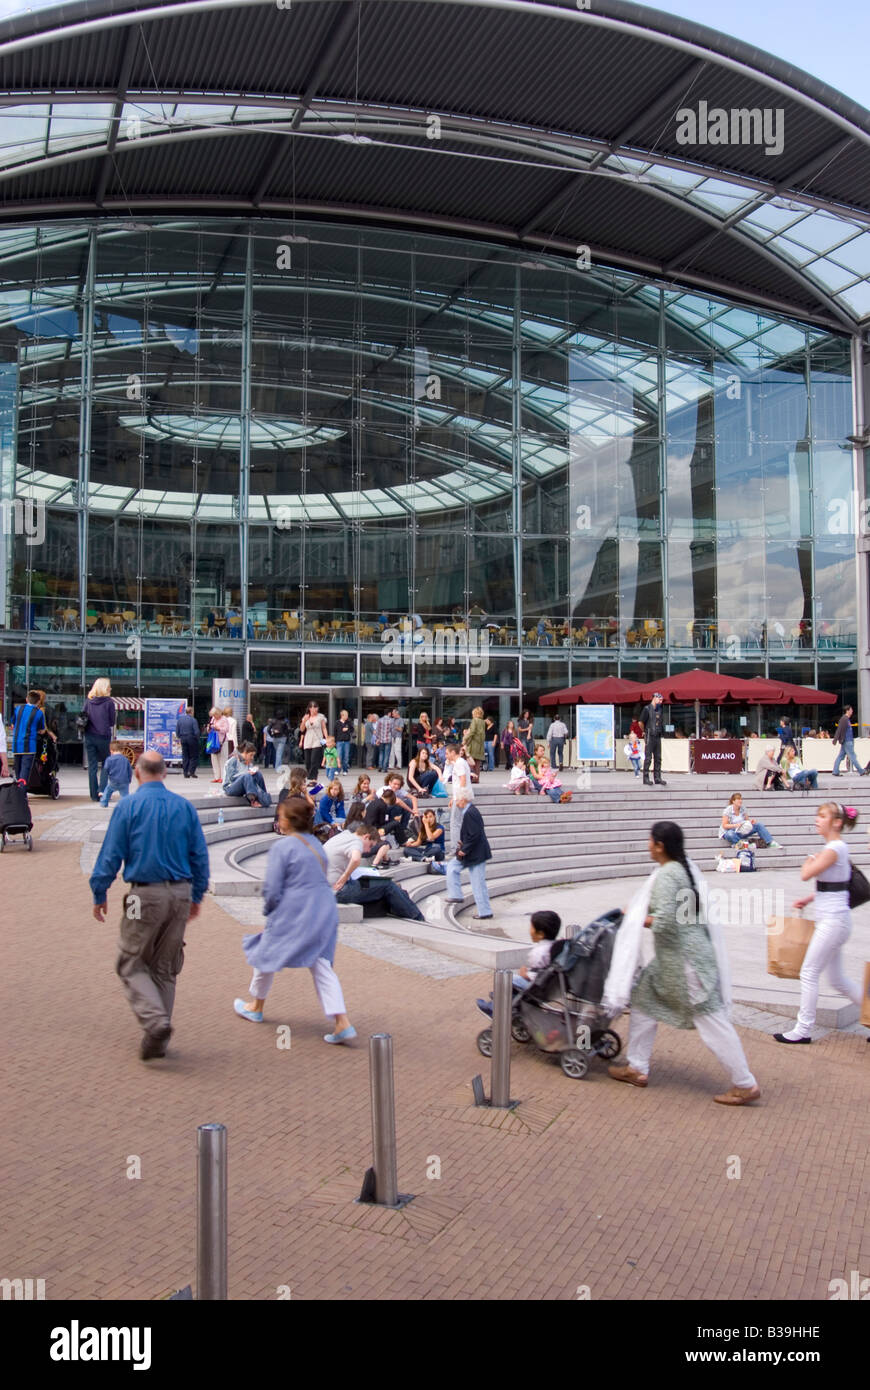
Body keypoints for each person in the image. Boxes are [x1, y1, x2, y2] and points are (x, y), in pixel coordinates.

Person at [608, 820, 760, 1104]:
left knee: (712, 1021)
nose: (647, 846)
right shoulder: (684, 868)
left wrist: (636, 918)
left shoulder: (668, 874)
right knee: (643, 1002)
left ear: (660, 846)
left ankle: (745, 1083)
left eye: (650, 840)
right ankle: (636, 1067)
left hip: (684, 962)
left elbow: (666, 923)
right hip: (684, 958)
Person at [89, 751, 210, 1060]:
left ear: (137, 774)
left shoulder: (129, 806)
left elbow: (111, 853)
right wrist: (196, 896)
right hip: (180, 895)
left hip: (141, 895)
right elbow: (199, 855)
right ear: (165, 773)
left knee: (129, 961)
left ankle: (155, 1024)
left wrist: (99, 890)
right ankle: (160, 1035)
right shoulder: (183, 807)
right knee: (165, 969)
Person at [232, 798, 355, 1043]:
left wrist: (269, 911)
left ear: (287, 821)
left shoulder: (283, 847)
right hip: (324, 908)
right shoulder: (317, 844)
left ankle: (256, 1006)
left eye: (280, 817)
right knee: (320, 964)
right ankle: (342, 1022)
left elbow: (273, 888)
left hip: (297, 909)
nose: (278, 821)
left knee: (266, 952)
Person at [774, 803, 864, 1044]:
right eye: (817, 815)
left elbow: (806, 873)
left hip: (833, 922)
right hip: (834, 920)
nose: (817, 820)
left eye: (822, 816)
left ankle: (803, 1030)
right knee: (837, 981)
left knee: (809, 972)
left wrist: (808, 860)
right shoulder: (835, 849)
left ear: (836, 822)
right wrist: (809, 898)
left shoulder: (834, 848)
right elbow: (834, 885)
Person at [325, 825, 425, 920]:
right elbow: (356, 859)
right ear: (366, 837)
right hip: (338, 891)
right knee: (388, 884)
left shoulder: (344, 835)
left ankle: (401, 905)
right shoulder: (356, 842)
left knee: (386, 885)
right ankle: (417, 917)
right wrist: (345, 876)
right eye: (370, 845)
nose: (368, 850)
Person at [477, 911, 560, 1013]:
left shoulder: (539, 952)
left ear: (540, 934)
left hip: (538, 988)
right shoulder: (556, 947)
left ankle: (494, 1007)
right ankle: (506, 997)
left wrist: (525, 974)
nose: (530, 930)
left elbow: (536, 976)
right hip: (552, 987)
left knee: (505, 976)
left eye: (532, 927)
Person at [444, 801, 492, 920]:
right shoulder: (469, 811)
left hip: (476, 853)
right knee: (452, 867)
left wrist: (464, 849)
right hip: (471, 852)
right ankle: (456, 895)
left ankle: (485, 911)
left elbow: (474, 834)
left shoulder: (470, 812)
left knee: (478, 883)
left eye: (457, 800)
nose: (455, 803)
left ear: (463, 800)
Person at [12, 688, 56, 786]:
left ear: (27, 699)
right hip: (29, 746)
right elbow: (41, 730)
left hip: (16, 744)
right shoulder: (38, 712)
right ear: (38, 701)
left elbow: (13, 724)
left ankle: (17, 791)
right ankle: (21, 795)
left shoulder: (18, 709)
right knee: (25, 772)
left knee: (18, 771)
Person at [81, 678, 116, 801]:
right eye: (109, 687)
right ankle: (102, 790)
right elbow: (112, 722)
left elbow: (83, 717)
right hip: (103, 736)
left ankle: (93, 794)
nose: (110, 689)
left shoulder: (88, 702)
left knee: (92, 766)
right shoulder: (109, 703)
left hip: (89, 736)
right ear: (104, 688)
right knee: (106, 764)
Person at [223, 742, 272, 808]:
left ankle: (263, 796)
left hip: (243, 786)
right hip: (230, 788)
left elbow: (250, 780)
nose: (252, 758)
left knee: (258, 774)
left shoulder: (249, 762)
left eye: (253, 755)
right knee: (247, 775)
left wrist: (253, 772)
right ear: (245, 753)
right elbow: (231, 778)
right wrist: (247, 773)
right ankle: (253, 800)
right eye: (251, 755)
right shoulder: (233, 760)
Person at [445, 742, 473, 853]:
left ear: (453, 752)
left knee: (455, 823)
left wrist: (459, 797)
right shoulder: (461, 762)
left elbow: (462, 780)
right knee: (459, 822)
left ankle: (454, 848)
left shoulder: (459, 763)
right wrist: (453, 797)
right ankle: (460, 847)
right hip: (461, 796)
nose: (446, 755)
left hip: (461, 798)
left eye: (447, 753)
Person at [832, 705, 867, 777]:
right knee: (852, 756)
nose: (852, 711)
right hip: (847, 741)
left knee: (841, 756)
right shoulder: (844, 719)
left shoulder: (846, 719)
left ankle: (835, 771)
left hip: (847, 740)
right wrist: (835, 739)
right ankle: (861, 771)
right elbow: (839, 729)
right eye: (851, 710)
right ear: (847, 711)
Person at [640, 692, 666, 786]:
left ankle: (657, 777)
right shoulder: (647, 709)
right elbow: (641, 722)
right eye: (659, 699)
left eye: (661, 700)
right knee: (648, 758)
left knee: (658, 758)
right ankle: (646, 778)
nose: (661, 701)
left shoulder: (659, 709)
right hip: (650, 734)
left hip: (657, 735)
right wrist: (645, 731)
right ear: (654, 698)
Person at [99, 741, 133, 806]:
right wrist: (129, 779)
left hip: (113, 780)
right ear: (122, 750)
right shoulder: (125, 759)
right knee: (125, 795)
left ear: (111, 751)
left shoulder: (109, 759)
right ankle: (126, 805)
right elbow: (129, 771)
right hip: (124, 781)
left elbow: (106, 769)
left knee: (107, 791)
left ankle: (104, 803)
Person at [300, 701, 328, 779]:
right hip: (308, 740)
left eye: (315, 707)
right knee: (307, 762)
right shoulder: (306, 717)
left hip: (317, 739)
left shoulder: (320, 717)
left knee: (314, 760)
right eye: (311, 707)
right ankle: (310, 775)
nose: (313, 709)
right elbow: (302, 729)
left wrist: (327, 738)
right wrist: (304, 720)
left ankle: (313, 778)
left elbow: (324, 728)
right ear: (309, 708)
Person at [175, 704, 201, 779]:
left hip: (183, 738)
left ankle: (185, 772)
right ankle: (191, 771)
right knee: (194, 755)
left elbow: (177, 730)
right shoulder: (193, 720)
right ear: (191, 712)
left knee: (185, 755)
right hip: (191, 738)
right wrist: (197, 738)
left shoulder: (180, 719)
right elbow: (196, 731)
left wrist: (179, 736)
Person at [207, 706, 229, 782]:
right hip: (213, 742)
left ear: (218, 713)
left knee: (222, 760)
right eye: (213, 715)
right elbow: (209, 728)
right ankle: (217, 777)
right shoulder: (213, 719)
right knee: (214, 760)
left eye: (215, 715)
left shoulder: (224, 719)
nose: (214, 717)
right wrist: (209, 728)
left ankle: (223, 778)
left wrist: (218, 728)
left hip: (221, 742)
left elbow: (226, 729)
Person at [464, 706, 486, 774]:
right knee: (477, 762)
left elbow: (472, 731)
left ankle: (472, 777)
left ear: (475, 713)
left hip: (473, 743)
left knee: (470, 760)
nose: (472, 715)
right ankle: (476, 778)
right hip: (480, 744)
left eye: (473, 713)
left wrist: (465, 738)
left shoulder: (474, 720)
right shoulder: (483, 722)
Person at [334, 709, 353, 775]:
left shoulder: (348, 722)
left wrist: (348, 729)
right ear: (342, 716)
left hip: (346, 741)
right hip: (339, 741)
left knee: (346, 757)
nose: (347, 717)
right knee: (339, 756)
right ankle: (337, 770)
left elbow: (352, 730)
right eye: (346, 715)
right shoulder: (337, 723)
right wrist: (335, 741)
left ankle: (345, 770)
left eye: (347, 715)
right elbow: (335, 732)